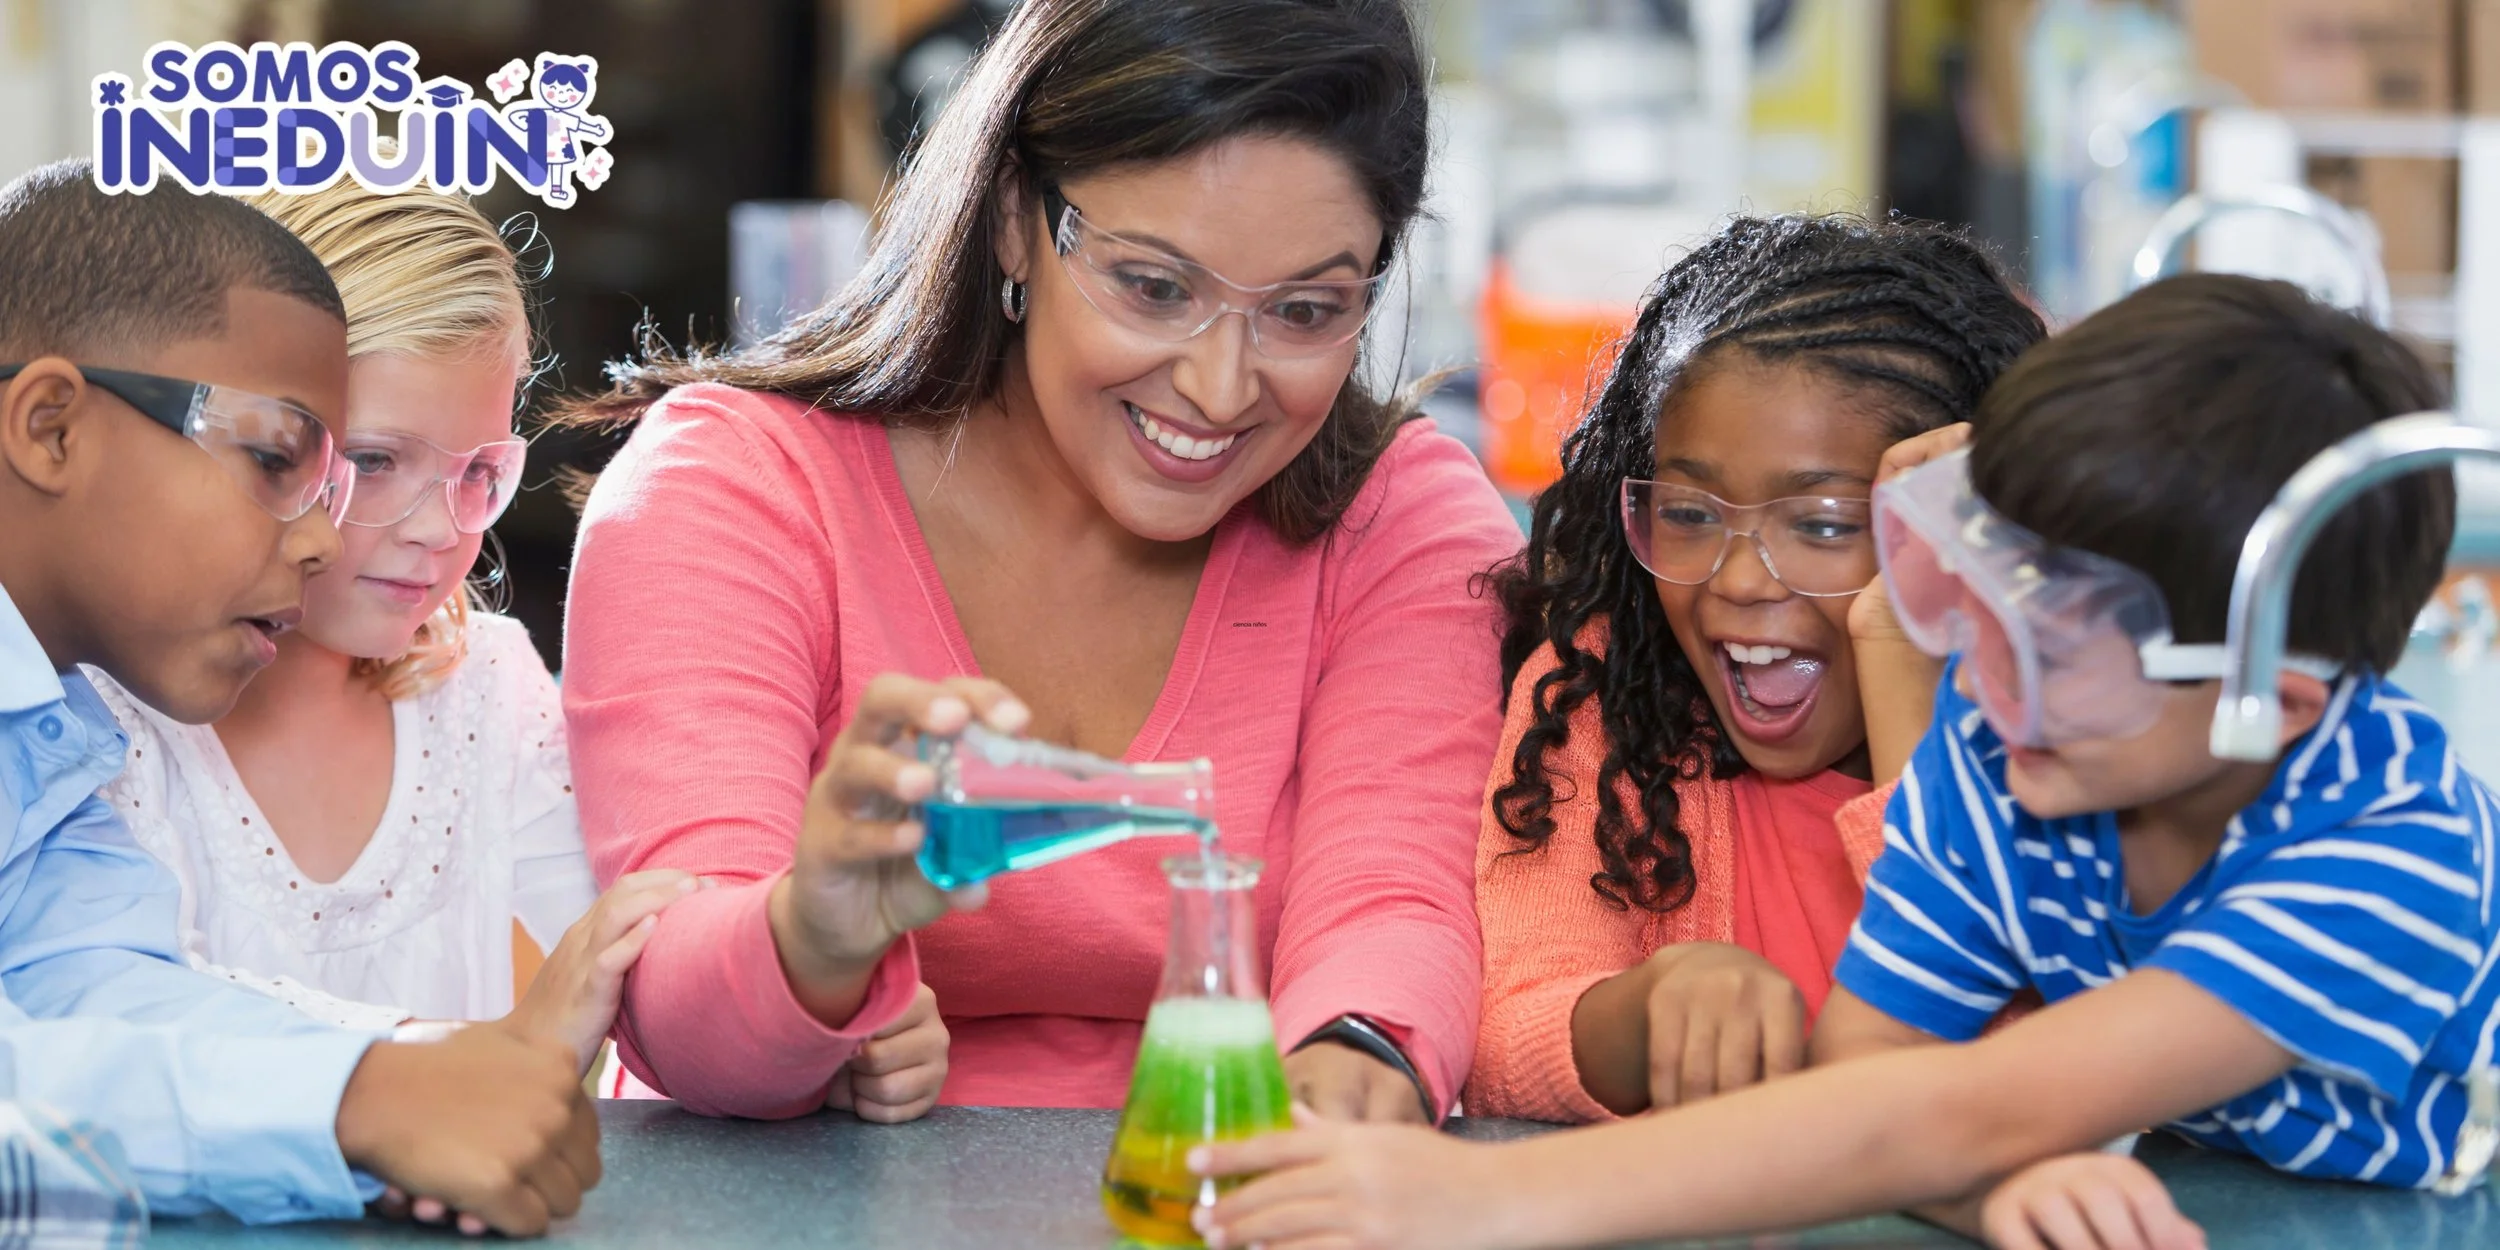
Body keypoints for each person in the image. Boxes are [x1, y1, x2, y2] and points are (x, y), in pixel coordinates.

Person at [1193, 275, 2484, 1250]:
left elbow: (1969, 1101)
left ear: (2277, 699)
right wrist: (1999, 1188)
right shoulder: (2023, 756)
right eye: (1971, 592)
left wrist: (1477, 1195)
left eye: (2053, 640)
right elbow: (1881, 1078)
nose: (1977, 667)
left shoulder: (2388, 854)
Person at [556, 0, 1515, 1124]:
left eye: (1305, 310)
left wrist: (1336, 1108)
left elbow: (1392, 910)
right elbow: (681, 1023)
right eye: (1154, 286)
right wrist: (810, 933)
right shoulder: (737, 489)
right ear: (1016, 218)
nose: (1218, 386)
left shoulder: (1400, 520)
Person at [0, 159, 594, 1233]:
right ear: (50, 427)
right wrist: (355, 1096)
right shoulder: (114, 722)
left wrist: (393, 1080)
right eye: (282, 461)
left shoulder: (53, 737)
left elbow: (87, 991)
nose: (320, 530)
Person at [84, 180, 705, 1083]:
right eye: (375, 461)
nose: (441, 527)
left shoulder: (486, 688)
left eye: (480, 471)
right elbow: (131, 1012)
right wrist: (486, 1053)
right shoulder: (101, 713)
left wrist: (800, 1025)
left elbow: (637, 968)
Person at [1471, 215, 2045, 1122]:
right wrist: (1651, 1009)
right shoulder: (1608, 694)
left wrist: (1906, 686)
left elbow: (2028, 1068)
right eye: (1690, 513)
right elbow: (1498, 1041)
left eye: (1821, 524)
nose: (1735, 581)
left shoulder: (2067, 737)